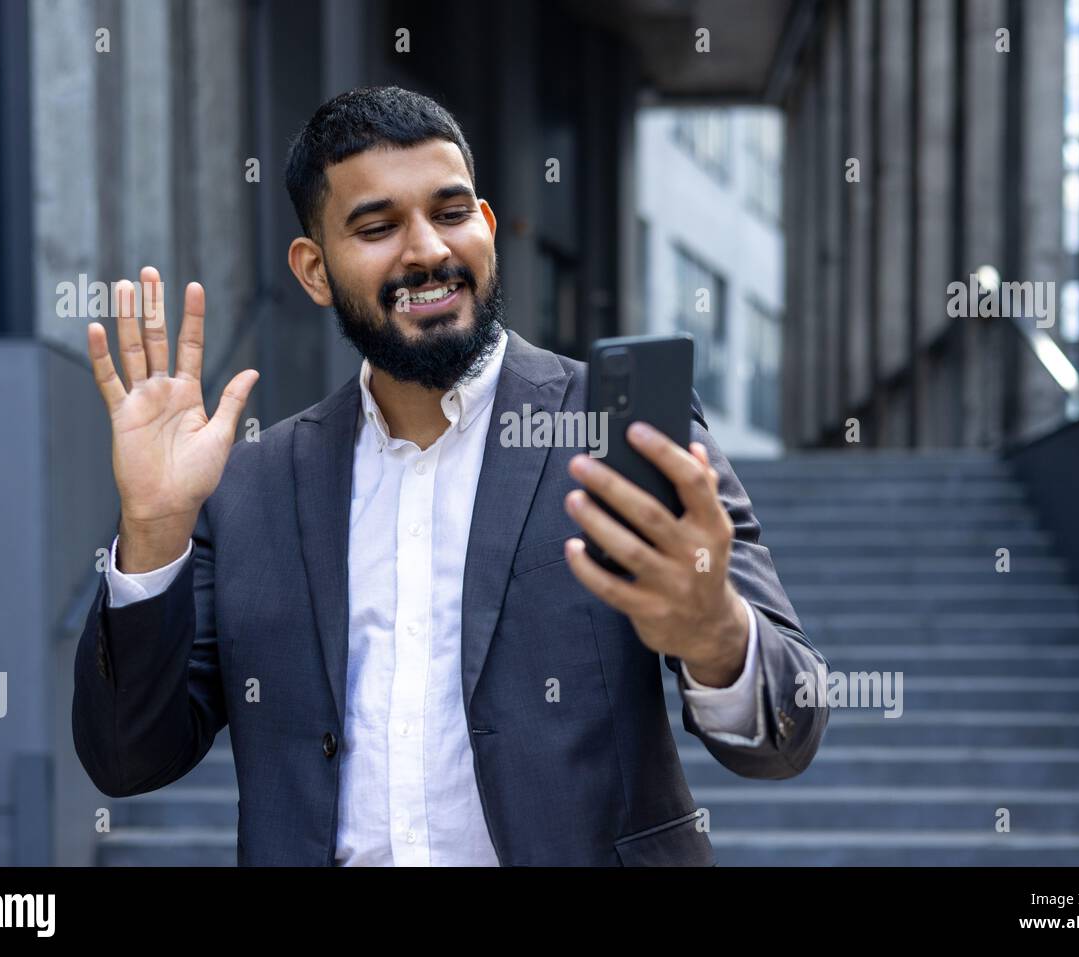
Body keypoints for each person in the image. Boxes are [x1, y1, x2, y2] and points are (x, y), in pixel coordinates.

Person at [73, 85, 828, 866]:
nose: (428, 249)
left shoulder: (615, 430)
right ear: (314, 269)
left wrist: (716, 631)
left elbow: (787, 731)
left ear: (488, 227)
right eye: (377, 226)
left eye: (451, 211)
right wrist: (155, 532)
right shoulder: (248, 486)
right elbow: (130, 757)